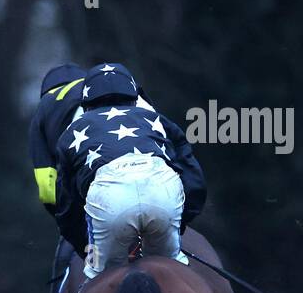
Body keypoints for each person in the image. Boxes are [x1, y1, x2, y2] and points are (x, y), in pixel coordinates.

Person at [56, 62, 206, 279]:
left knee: (97, 281)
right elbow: (194, 182)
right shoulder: (158, 120)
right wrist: (178, 224)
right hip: (162, 192)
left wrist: (87, 250)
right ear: (135, 97)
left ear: (86, 103)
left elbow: (67, 209)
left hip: (108, 201)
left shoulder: (71, 132)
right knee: (175, 273)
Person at [27, 63, 87, 293]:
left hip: (93, 198)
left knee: (69, 252)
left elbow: (48, 189)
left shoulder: (44, 111)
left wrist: (65, 221)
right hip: (155, 181)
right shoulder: (116, 91)